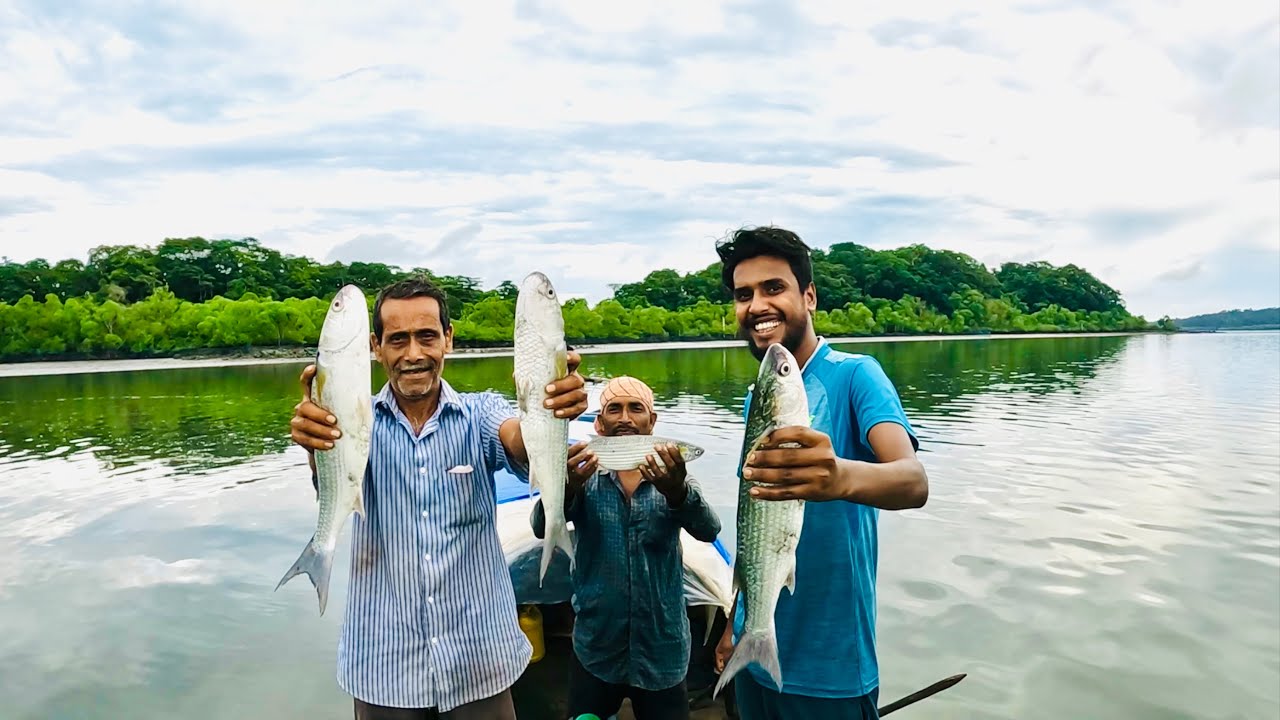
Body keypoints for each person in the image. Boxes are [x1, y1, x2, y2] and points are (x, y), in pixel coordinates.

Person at [288, 275, 588, 719]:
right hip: (383, 667)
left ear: (448, 339)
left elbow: (515, 440)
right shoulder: (352, 421)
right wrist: (317, 445)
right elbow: (333, 477)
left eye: (427, 336)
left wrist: (548, 407)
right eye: (398, 339)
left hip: (480, 663)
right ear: (376, 346)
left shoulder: (480, 411)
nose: (413, 354)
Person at [711, 227, 929, 720]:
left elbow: (913, 481)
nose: (757, 305)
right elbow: (754, 520)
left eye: (774, 288)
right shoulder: (761, 394)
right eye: (744, 295)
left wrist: (838, 479)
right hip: (755, 649)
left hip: (830, 666)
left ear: (808, 296)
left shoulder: (857, 374)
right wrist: (733, 622)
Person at [530, 376, 721, 720]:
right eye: (613, 409)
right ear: (599, 424)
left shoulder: (673, 476)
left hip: (662, 649)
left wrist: (678, 493)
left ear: (653, 421)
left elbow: (709, 530)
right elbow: (541, 527)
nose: (625, 418)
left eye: (636, 408)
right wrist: (564, 487)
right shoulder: (584, 472)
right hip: (596, 647)